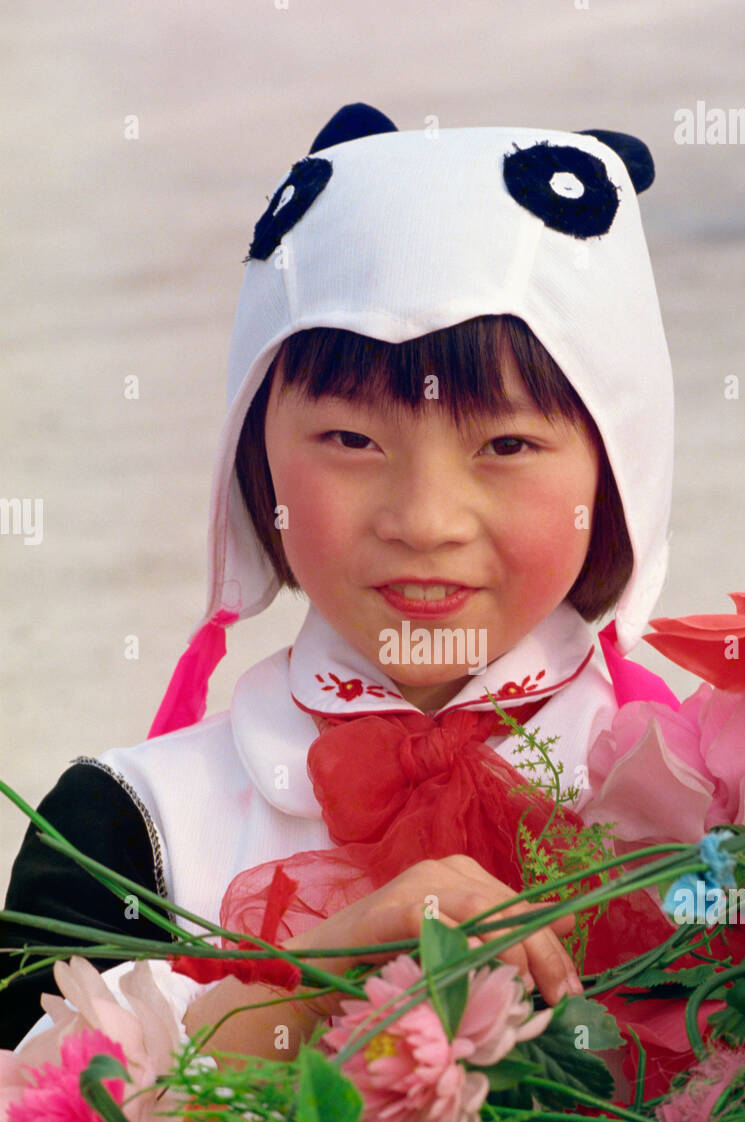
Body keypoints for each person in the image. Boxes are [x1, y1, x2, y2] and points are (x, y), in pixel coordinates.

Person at [1, 103, 679, 1058]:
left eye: (508, 443)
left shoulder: (738, 815)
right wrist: (303, 989)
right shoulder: (127, 830)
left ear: (620, 468)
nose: (425, 520)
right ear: (253, 458)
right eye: (352, 440)